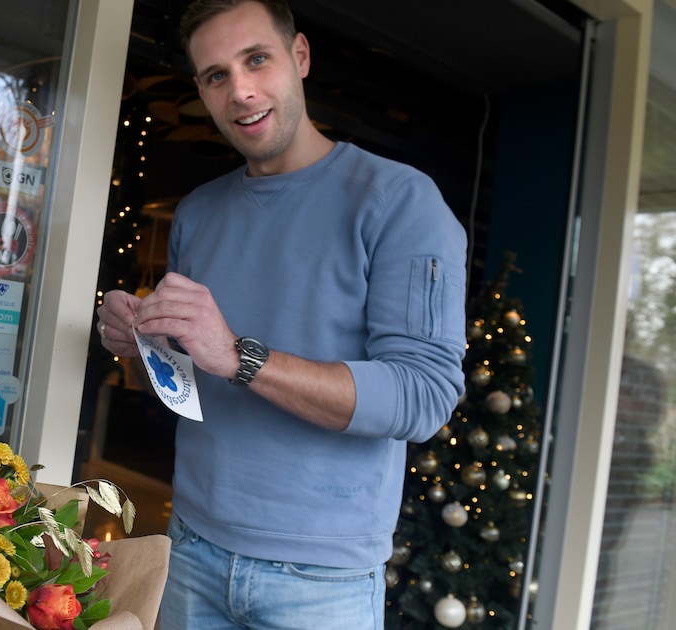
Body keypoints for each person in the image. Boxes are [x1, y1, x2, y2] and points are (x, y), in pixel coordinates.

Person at [94, 1, 467, 628]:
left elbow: (424, 397)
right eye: (216, 75)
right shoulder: (197, 213)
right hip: (190, 549)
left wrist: (239, 355)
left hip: (323, 582)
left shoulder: (399, 200)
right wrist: (143, 343)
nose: (240, 91)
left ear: (300, 56)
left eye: (257, 60)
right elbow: (191, 382)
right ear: (201, 92)